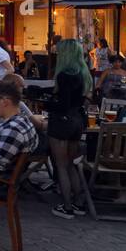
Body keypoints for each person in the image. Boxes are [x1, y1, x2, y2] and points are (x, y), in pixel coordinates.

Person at [42, 38, 90, 219]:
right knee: (71, 165)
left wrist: (45, 105)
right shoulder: (83, 74)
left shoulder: (63, 75)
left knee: (61, 166)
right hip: (77, 120)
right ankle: (78, 202)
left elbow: (62, 104)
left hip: (62, 121)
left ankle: (67, 206)